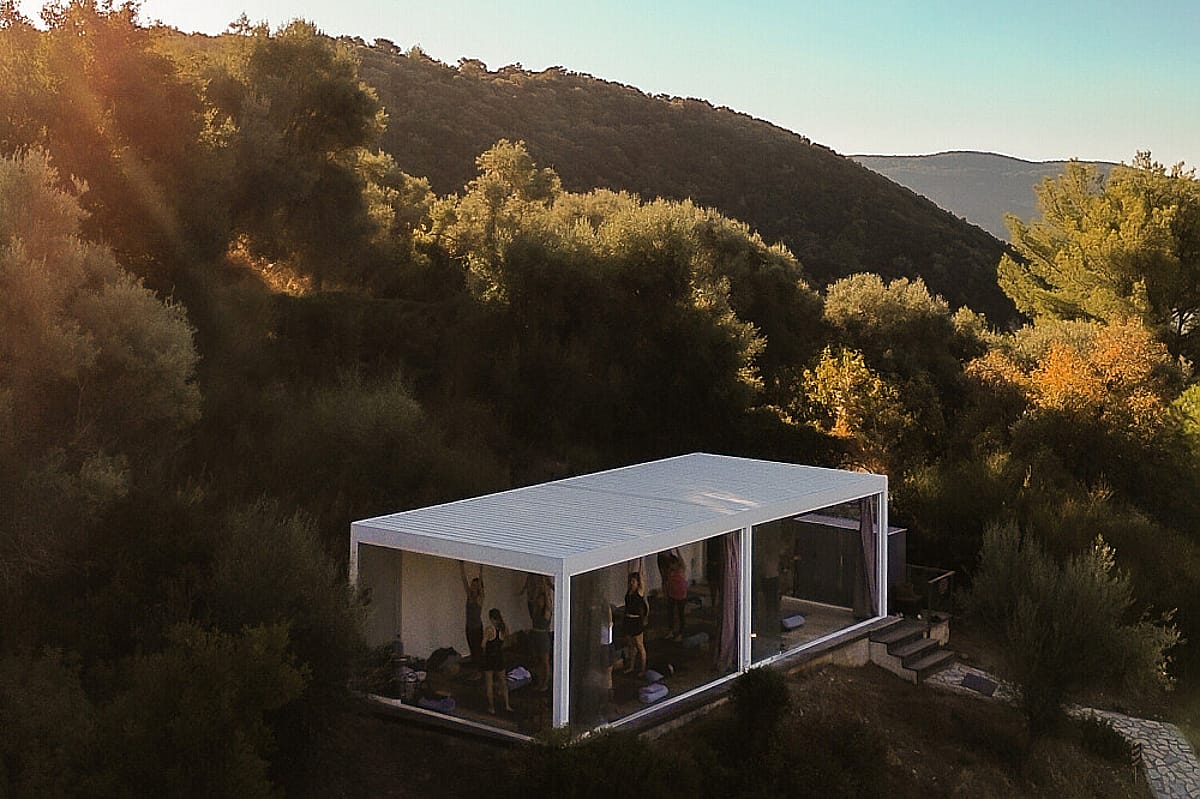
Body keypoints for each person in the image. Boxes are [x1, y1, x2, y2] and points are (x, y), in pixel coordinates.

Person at [483, 608, 513, 714]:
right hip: (499, 656)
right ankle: (507, 705)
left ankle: (491, 707)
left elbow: (483, 644)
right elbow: (507, 642)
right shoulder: (504, 629)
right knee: (503, 682)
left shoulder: (489, 630)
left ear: (491, 618)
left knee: (489, 684)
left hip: (490, 657)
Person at [622, 571, 649, 676]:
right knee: (630, 645)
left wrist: (640, 560)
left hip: (636, 621)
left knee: (639, 645)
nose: (631, 583)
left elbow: (642, 578)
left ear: (638, 583)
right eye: (631, 581)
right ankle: (631, 666)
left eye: (634, 581)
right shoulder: (629, 592)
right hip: (628, 620)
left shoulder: (639, 592)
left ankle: (643, 669)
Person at [459, 561, 485, 668]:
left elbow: (481, 587)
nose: (473, 587)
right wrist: (461, 567)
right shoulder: (469, 596)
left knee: (477, 649)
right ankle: (476, 670)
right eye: (472, 585)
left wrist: (480, 570)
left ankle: (480, 670)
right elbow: (464, 580)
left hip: (476, 628)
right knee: (472, 649)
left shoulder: (480, 598)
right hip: (468, 627)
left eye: (475, 585)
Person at [530, 584, 553, 691]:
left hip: (543, 637)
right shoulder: (536, 610)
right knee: (537, 661)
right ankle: (539, 682)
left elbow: (548, 602)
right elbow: (533, 597)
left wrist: (544, 585)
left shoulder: (546, 612)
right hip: (534, 636)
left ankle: (545, 683)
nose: (539, 601)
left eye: (541, 600)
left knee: (545, 661)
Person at [665, 553, 689, 640]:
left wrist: (677, 549)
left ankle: (681, 633)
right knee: (670, 613)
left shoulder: (681, 569)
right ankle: (671, 631)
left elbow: (681, 560)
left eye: (672, 564)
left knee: (680, 614)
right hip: (672, 594)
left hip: (681, 595)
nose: (671, 566)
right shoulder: (670, 571)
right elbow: (668, 582)